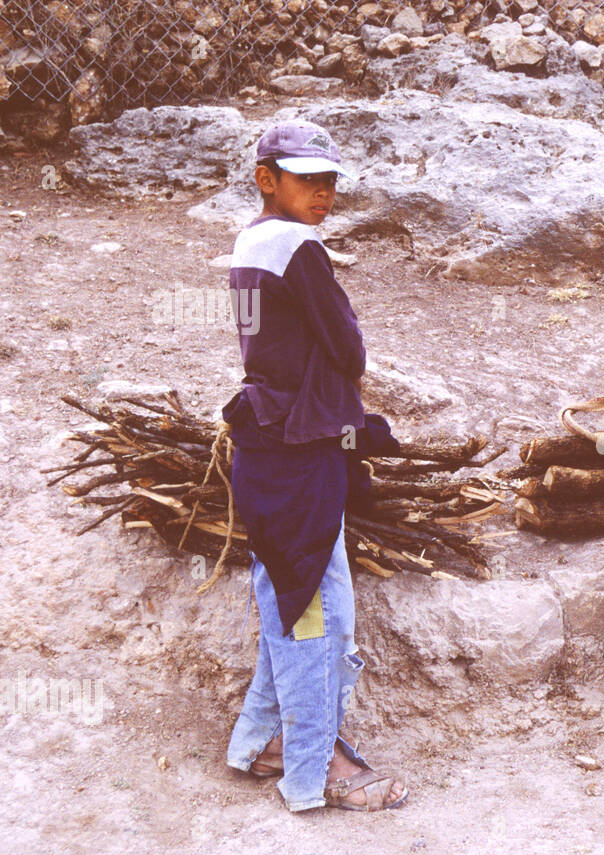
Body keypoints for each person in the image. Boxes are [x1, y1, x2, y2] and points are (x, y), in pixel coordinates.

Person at [222, 119, 407, 812]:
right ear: (267, 178)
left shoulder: (248, 242)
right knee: (314, 611)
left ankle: (258, 741)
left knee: (290, 596)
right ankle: (314, 765)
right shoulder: (299, 247)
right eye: (308, 180)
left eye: (331, 181)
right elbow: (348, 349)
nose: (324, 194)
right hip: (301, 455)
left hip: (267, 447)